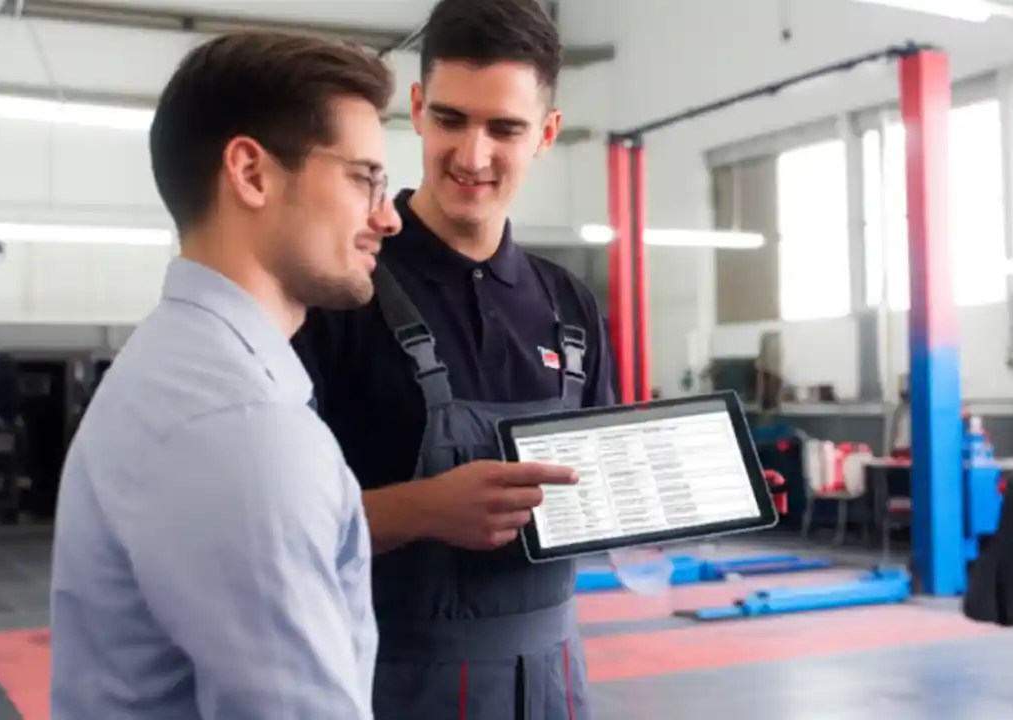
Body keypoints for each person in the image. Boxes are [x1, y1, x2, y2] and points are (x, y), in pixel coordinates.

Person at [50, 31, 403, 719]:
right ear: (250, 172)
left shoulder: (176, 370)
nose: (387, 217)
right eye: (365, 179)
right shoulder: (242, 427)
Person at [293, 0, 605, 717]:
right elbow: (265, 528)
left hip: (556, 685)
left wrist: (706, 491)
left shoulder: (572, 308)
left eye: (505, 128)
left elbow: (591, 490)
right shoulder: (342, 288)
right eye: (452, 119)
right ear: (417, 108)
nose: (472, 156)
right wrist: (419, 509)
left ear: (547, 134)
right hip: (390, 685)